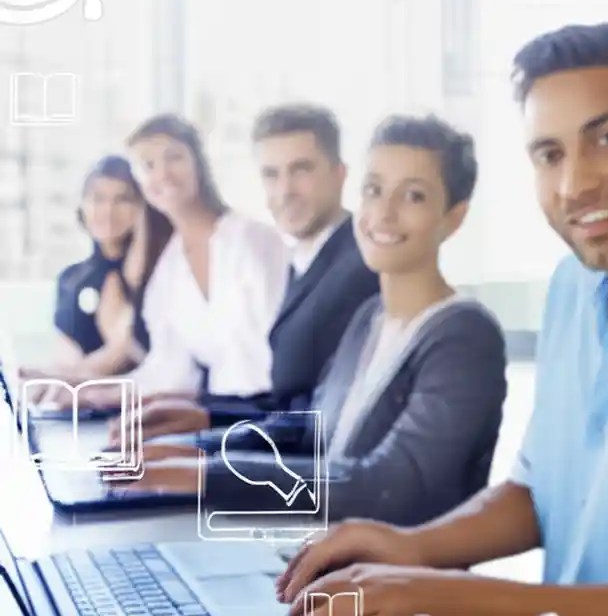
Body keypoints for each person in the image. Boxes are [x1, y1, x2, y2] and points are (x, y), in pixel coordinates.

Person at [276, 22, 608, 616]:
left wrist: (432, 590)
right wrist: (407, 548)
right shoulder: (573, 286)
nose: (575, 182)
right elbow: (537, 493)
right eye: (549, 154)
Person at [113, 115, 508, 528]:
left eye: (413, 196)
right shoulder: (368, 320)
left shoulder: (464, 335)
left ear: (455, 217)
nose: (383, 213)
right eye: (374, 191)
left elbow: (393, 485)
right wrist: (197, 447)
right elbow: (310, 431)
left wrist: (209, 476)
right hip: (323, 558)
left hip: (395, 582)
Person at [110, 104, 381, 440]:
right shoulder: (308, 262)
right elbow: (286, 403)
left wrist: (206, 449)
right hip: (262, 436)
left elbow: (318, 420)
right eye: (271, 174)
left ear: (339, 175)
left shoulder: (358, 269)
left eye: (302, 170)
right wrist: (205, 416)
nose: (285, 190)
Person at [69, 114, 288, 410]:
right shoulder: (169, 267)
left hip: (271, 420)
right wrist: (86, 394)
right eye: (148, 166)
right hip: (222, 421)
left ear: (198, 163)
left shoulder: (251, 240)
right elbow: (169, 371)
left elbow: (282, 358)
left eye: (174, 158)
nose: (163, 174)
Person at [22, 156, 171, 393]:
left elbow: (124, 351)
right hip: (80, 407)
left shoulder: (158, 274)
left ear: (142, 207)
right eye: (98, 198)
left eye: (123, 199)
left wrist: (58, 378)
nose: (108, 210)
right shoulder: (70, 279)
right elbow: (67, 355)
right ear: (82, 205)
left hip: (139, 402)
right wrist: (53, 377)